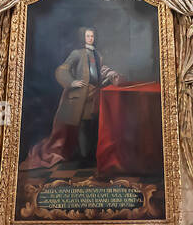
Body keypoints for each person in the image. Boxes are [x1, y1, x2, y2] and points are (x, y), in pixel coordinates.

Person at [22, 27, 120, 169]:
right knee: (83, 126)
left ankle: (91, 155)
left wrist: (111, 75)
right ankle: (84, 158)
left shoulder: (97, 54)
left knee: (93, 125)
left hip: (95, 95)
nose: (90, 38)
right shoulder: (77, 54)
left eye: (92, 36)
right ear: (83, 37)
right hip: (80, 96)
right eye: (88, 36)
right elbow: (62, 70)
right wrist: (71, 82)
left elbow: (100, 71)